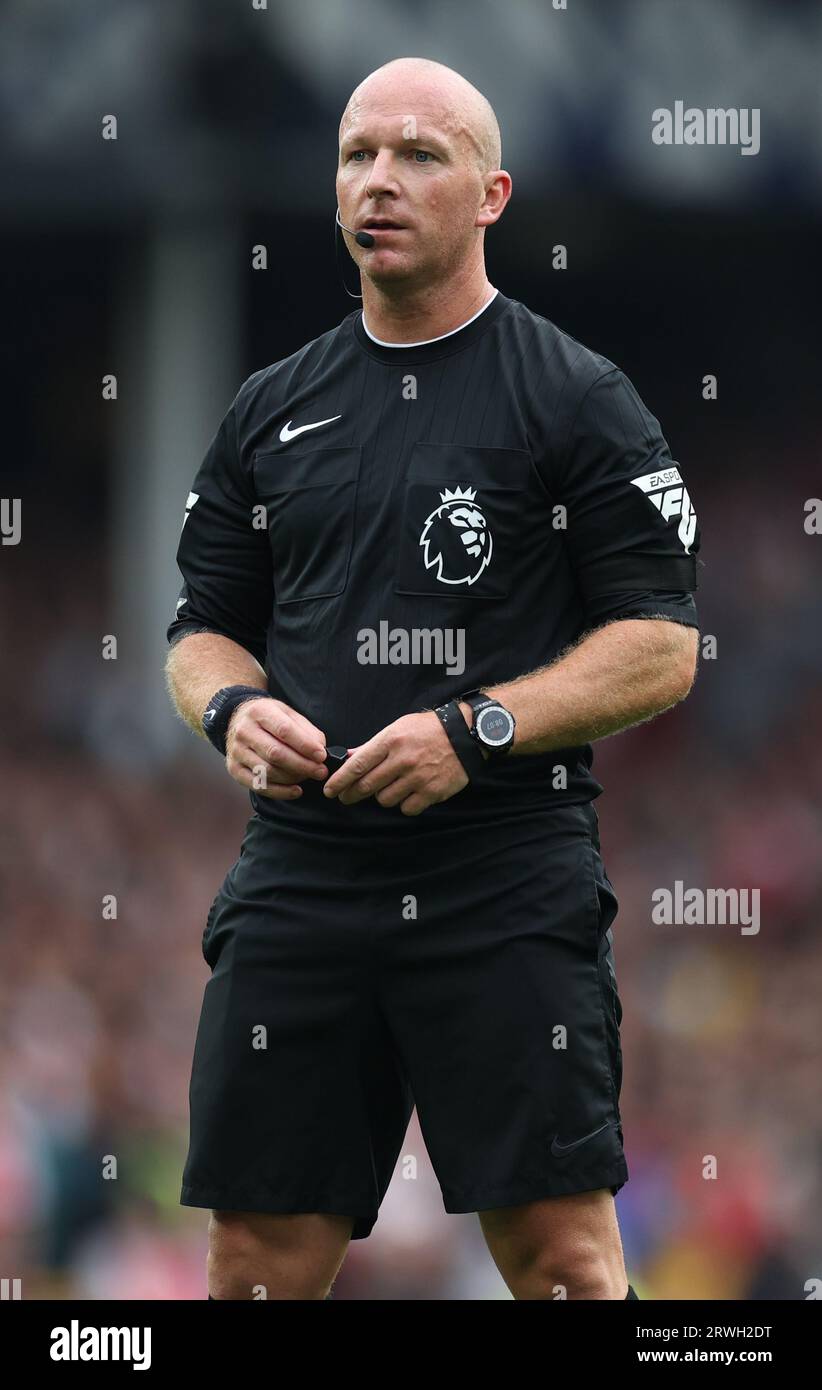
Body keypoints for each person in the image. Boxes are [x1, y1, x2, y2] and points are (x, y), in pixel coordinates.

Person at [165, 56, 700, 1301]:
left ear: (492, 193)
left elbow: (663, 645)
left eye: (419, 155)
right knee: (252, 1262)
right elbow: (200, 631)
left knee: (562, 1258)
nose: (379, 182)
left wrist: (481, 725)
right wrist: (234, 710)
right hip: (305, 867)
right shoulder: (270, 410)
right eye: (357, 155)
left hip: (503, 872)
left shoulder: (578, 399)